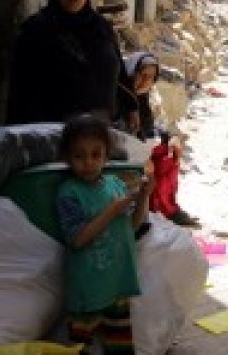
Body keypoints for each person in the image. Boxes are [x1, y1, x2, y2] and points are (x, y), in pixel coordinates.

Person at [56, 114, 153, 354]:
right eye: (79, 156)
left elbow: (130, 227)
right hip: (87, 291)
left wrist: (144, 196)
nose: (88, 163)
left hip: (118, 285)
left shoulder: (115, 185)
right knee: (80, 349)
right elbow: (78, 239)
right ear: (67, 157)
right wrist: (112, 210)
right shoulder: (68, 193)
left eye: (96, 154)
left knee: (120, 348)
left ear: (106, 156)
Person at [7, 0, 131, 125]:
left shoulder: (101, 28)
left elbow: (118, 69)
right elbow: (20, 90)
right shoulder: (36, 30)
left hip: (98, 131)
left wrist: (131, 107)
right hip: (52, 131)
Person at [123, 51, 200, 228]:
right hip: (125, 151)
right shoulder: (121, 98)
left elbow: (149, 127)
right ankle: (154, 209)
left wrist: (170, 138)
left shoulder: (142, 100)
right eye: (142, 75)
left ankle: (168, 209)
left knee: (170, 155)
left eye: (150, 77)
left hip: (141, 146)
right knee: (156, 164)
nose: (145, 81)